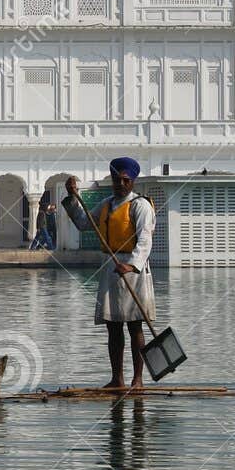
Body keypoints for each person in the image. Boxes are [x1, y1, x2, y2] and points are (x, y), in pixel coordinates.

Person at [61, 158, 157, 390]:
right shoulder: (106, 204)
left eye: (125, 180)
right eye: (117, 180)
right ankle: (117, 379)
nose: (121, 184)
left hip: (133, 270)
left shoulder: (140, 205)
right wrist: (73, 198)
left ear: (132, 182)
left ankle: (137, 380)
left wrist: (131, 265)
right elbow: (84, 223)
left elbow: (145, 240)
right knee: (113, 326)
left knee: (135, 326)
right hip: (110, 267)